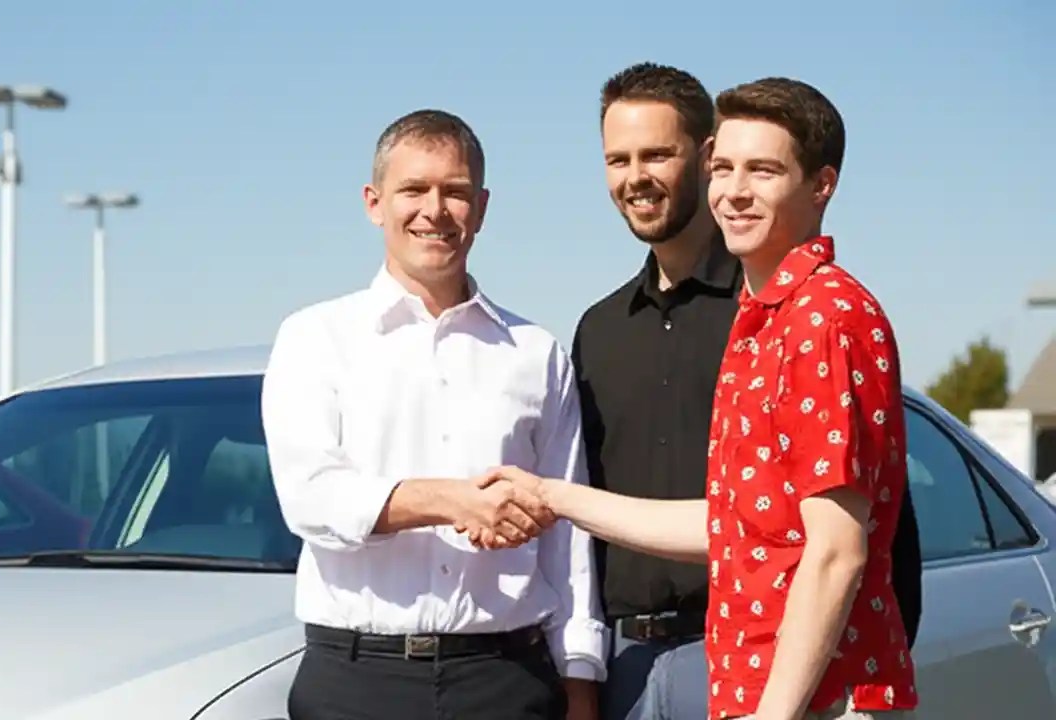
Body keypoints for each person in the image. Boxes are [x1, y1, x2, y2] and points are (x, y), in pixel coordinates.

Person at [479, 77, 920, 719]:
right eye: (727, 169)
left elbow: (836, 550)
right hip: (741, 684)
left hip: (806, 697)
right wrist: (551, 495)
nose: (736, 191)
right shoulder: (766, 320)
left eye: (763, 171)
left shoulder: (825, 318)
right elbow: (733, 525)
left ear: (821, 185)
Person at [261, 108, 608, 720]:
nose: (435, 210)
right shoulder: (315, 338)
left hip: (506, 681)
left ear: (482, 205)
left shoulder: (536, 353)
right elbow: (310, 499)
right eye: (413, 189)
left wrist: (580, 674)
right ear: (374, 203)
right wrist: (451, 501)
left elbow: (568, 531)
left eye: (455, 191)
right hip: (355, 684)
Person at [570, 61, 741, 720]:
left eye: (657, 154)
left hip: (744, 655)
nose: (634, 176)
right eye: (618, 158)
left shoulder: (769, 308)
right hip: (624, 669)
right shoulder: (599, 329)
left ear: (707, 156)